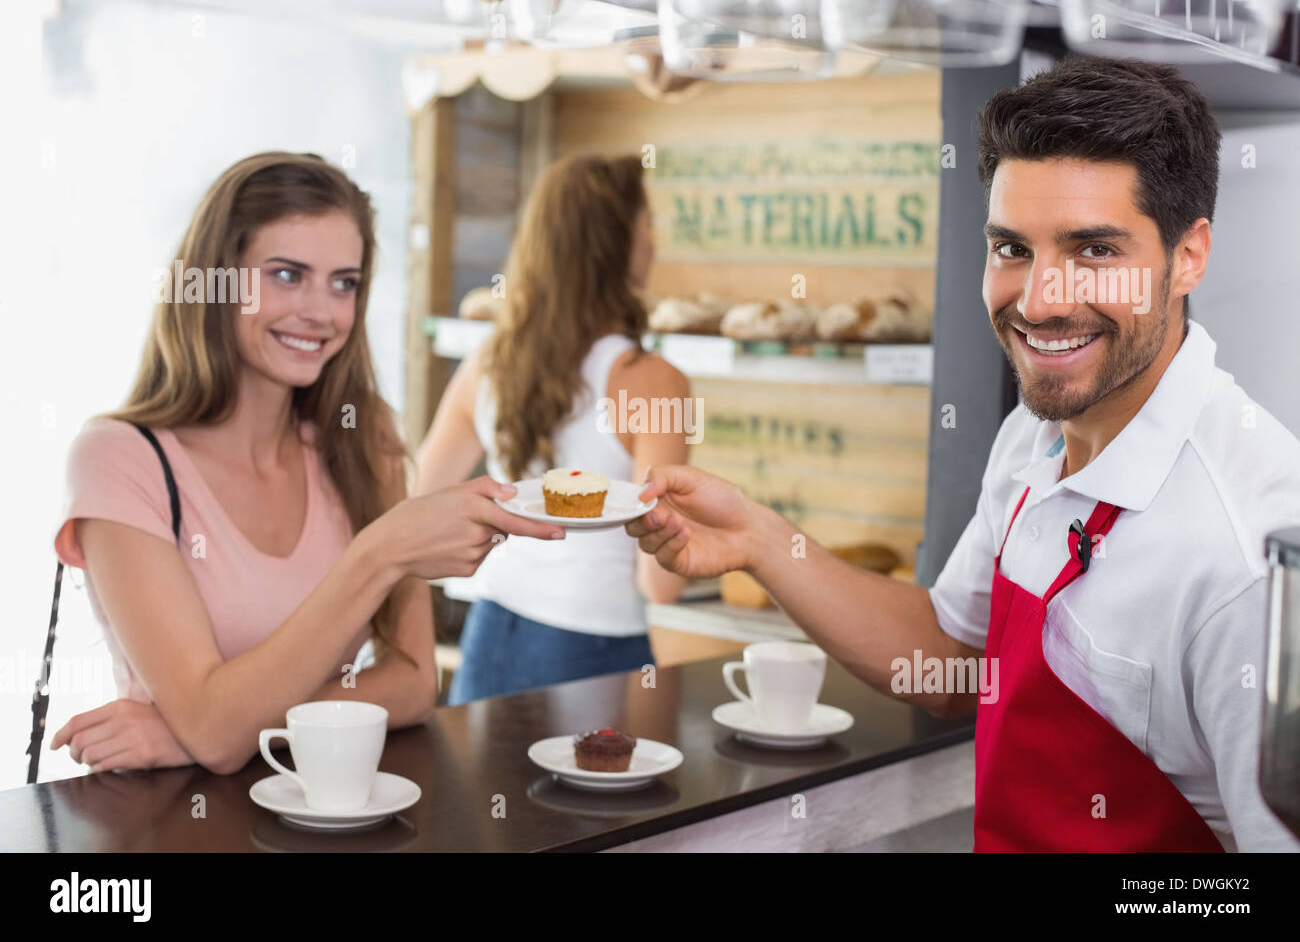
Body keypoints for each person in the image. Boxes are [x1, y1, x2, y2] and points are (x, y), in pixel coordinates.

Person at [626, 57, 1300, 852]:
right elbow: (952, 658)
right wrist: (760, 542)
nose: (1042, 300)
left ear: (1188, 256)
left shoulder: (1250, 554)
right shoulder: (1034, 433)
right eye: (1013, 248)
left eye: (1093, 251)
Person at [50, 152, 561, 776]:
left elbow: (411, 682)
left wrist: (206, 732)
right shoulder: (121, 459)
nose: (322, 311)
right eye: (288, 275)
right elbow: (216, 732)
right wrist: (379, 554)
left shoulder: (363, 434)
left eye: (344, 282)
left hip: (332, 815)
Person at [415, 152, 689, 703]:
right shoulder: (653, 380)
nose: (654, 242)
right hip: (596, 645)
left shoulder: (487, 363)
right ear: (614, 246)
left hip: (492, 631)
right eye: (647, 225)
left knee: (485, 790)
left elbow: (415, 505)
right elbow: (661, 581)